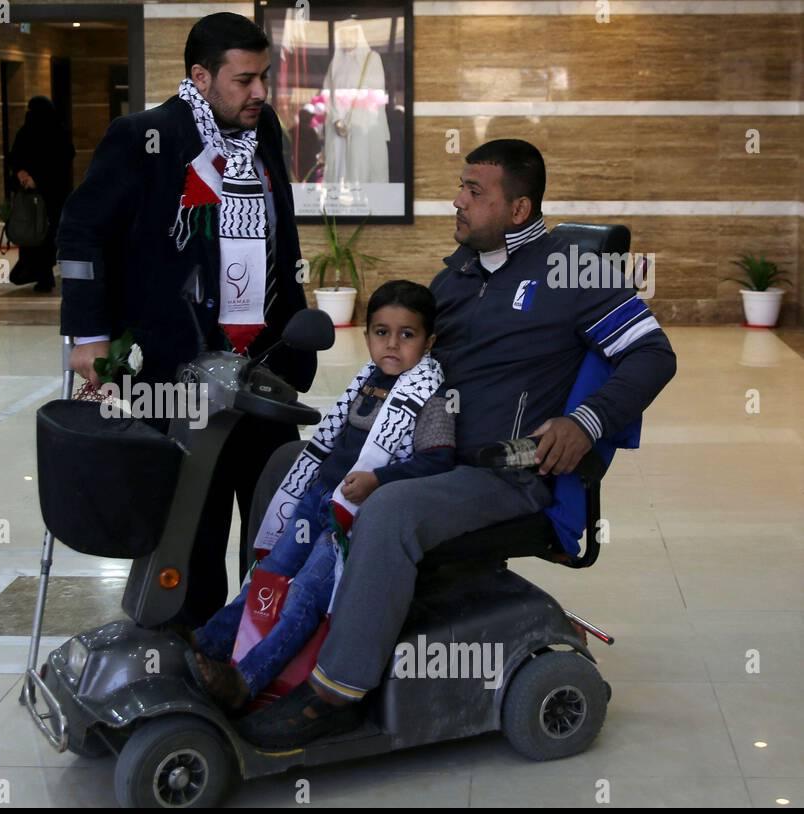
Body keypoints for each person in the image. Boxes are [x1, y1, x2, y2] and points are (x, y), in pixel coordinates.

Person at [238, 139, 678, 749]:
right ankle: (258, 632)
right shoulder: (458, 276)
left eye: (476, 192)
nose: (458, 200)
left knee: (389, 511)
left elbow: (654, 354)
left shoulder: (573, 270)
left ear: (518, 209)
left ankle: (336, 691)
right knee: (290, 460)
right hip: (427, 455)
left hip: (504, 473)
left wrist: (585, 423)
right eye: (461, 187)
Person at [57, 12, 318, 626]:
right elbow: (81, 234)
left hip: (266, 367)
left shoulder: (265, 129)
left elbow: (280, 231)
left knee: (273, 520)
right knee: (188, 528)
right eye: (244, 80)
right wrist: (90, 338)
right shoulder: (145, 136)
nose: (260, 93)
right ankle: (186, 650)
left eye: (265, 78)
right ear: (200, 76)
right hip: (179, 367)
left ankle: (259, 650)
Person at [191, 281, 454, 710]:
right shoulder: (368, 380)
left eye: (407, 335)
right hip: (317, 502)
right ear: (366, 335)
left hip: (352, 522)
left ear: (429, 341)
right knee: (267, 577)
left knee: (303, 597)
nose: (392, 344)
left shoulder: (431, 396)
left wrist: (379, 480)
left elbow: (438, 460)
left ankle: (245, 680)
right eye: (381, 332)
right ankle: (208, 645)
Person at [7, 96, 75, 292]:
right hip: (48, 195)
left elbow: (60, 161)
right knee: (42, 234)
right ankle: (41, 272)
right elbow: (17, 158)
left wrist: (31, 177)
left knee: (41, 233)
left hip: (46, 194)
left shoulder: (40, 132)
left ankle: (41, 273)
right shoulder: (57, 131)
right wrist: (24, 175)